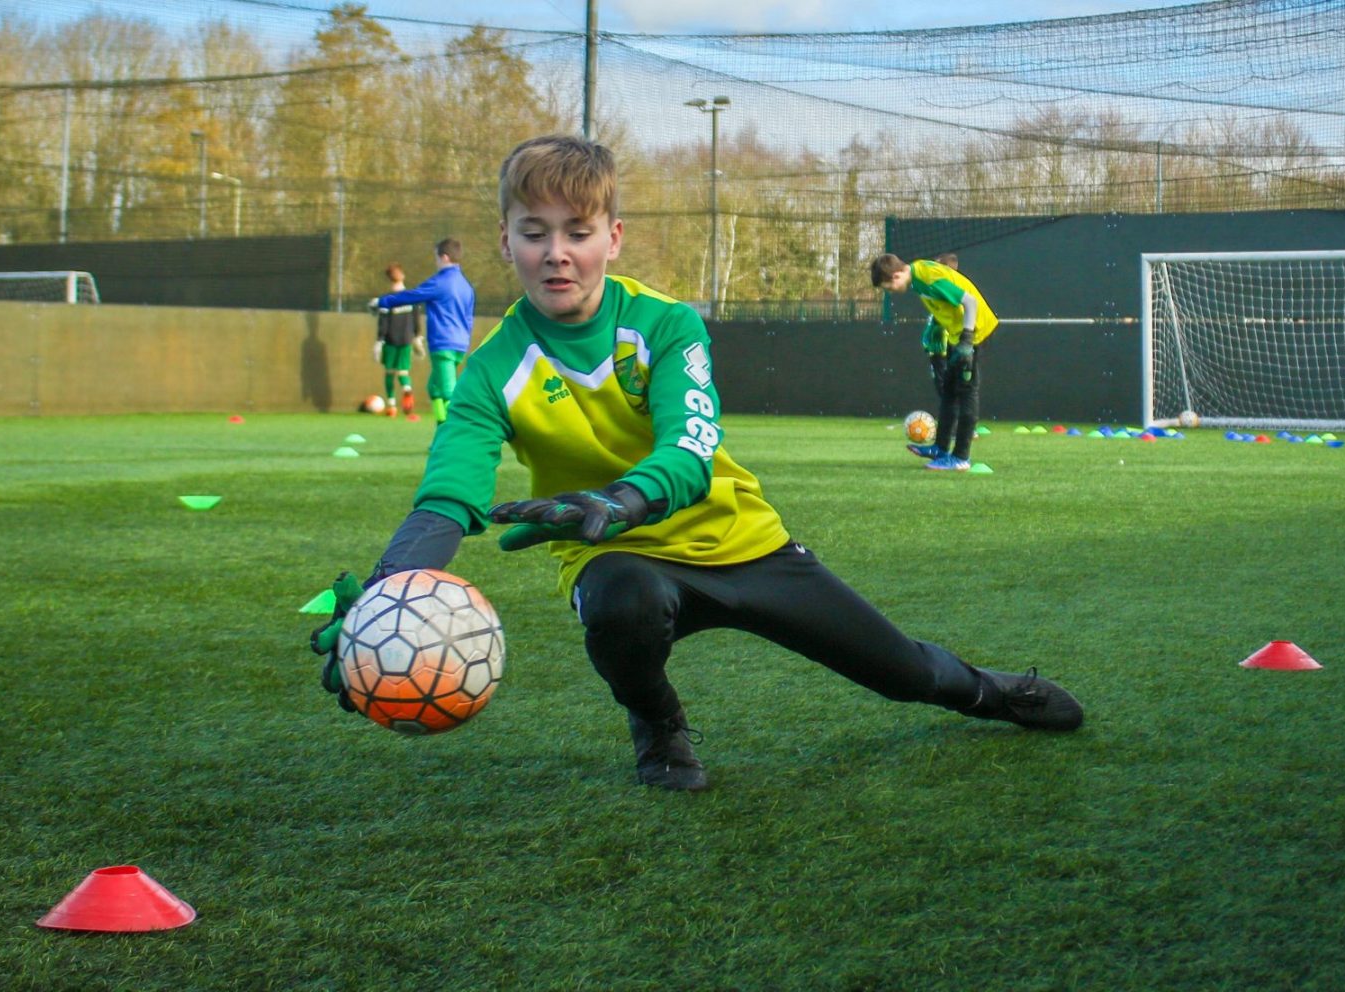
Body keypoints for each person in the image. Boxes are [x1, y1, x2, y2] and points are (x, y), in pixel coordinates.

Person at [310, 134, 1082, 792]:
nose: (556, 254)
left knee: (904, 676)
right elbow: (450, 494)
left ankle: (988, 692)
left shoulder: (665, 324)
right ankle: (656, 720)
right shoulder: (489, 371)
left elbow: (689, 448)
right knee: (619, 602)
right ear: (505, 239)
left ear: (612, 237)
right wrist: (388, 593)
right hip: (621, 558)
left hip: (743, 545)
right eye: (533, 231)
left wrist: (619, 499)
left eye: (577, 230)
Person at [870, 251, 999, 471]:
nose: (890, 292)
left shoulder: (928, 278)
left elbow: (970, 302)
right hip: (958, 335)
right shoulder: (919, 277)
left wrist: (967, 342)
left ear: (896, 275)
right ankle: (940, 447)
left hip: (975, 332)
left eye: (887, 287)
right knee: (949, 390)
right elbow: (945, 307)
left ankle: (961, 457)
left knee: (967, 392)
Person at [369, 238, 476, 425]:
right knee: (434, 388)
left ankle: (457, 439)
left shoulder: (440, 282)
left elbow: (411, 296)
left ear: (444, 257)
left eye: (436, 257)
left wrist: (381, 302)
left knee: (448, 392)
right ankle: (442, 428)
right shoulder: (466, 286)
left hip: (443, 344)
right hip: (460, 344)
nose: (435, 261)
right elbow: (468, 317)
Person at [369, 263, 426, 420]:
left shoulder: (387, 300)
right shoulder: (411, 299)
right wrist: (417, 337)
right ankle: (407, 389)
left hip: (390, 341)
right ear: (403, 276)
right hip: (406, 340)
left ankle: (392, 406)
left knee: (389, 372)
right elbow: (416, 320)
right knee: (403, 372)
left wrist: (379, 341)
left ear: (388, 279)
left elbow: (383, 323)